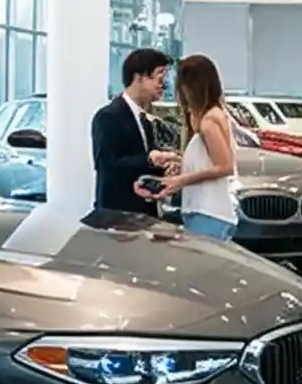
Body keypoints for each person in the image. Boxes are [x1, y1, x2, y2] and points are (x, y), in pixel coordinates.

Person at [150, 54, 239, 241]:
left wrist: (181, 180)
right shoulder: (209, 117)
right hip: (204, 210)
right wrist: (179, 162)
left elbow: (225, 166)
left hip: (208, 212)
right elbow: (210, 161)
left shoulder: (209, 121)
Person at [92, 48, 178, 216]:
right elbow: (107, 165)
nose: (163, 85)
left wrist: (165, 168)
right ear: (139, 77)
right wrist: (150, 159)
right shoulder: (108, 116)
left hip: (145, 211)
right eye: (159, 78)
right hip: (118, 213)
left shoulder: (145, 118)